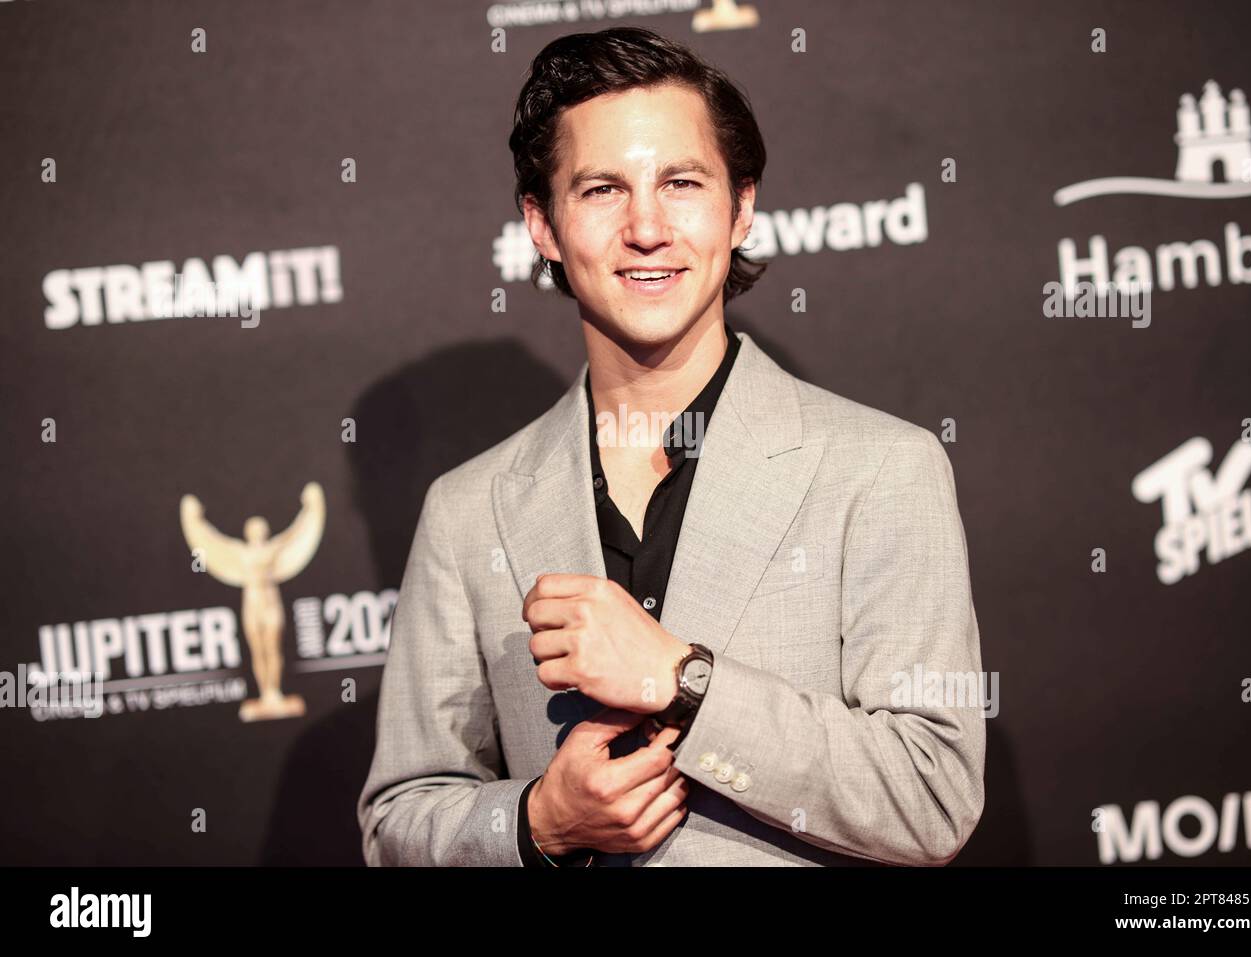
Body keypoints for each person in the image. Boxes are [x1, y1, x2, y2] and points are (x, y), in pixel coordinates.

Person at [357, 26, 985, 867]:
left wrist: (685, 679)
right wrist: (540, 821)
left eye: (681, 182)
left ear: (742, 208)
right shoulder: (469, 510)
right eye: (602, 189)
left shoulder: (881, 470)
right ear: (542, 225)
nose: (646, 226)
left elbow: (932, 796)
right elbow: (399, 821)